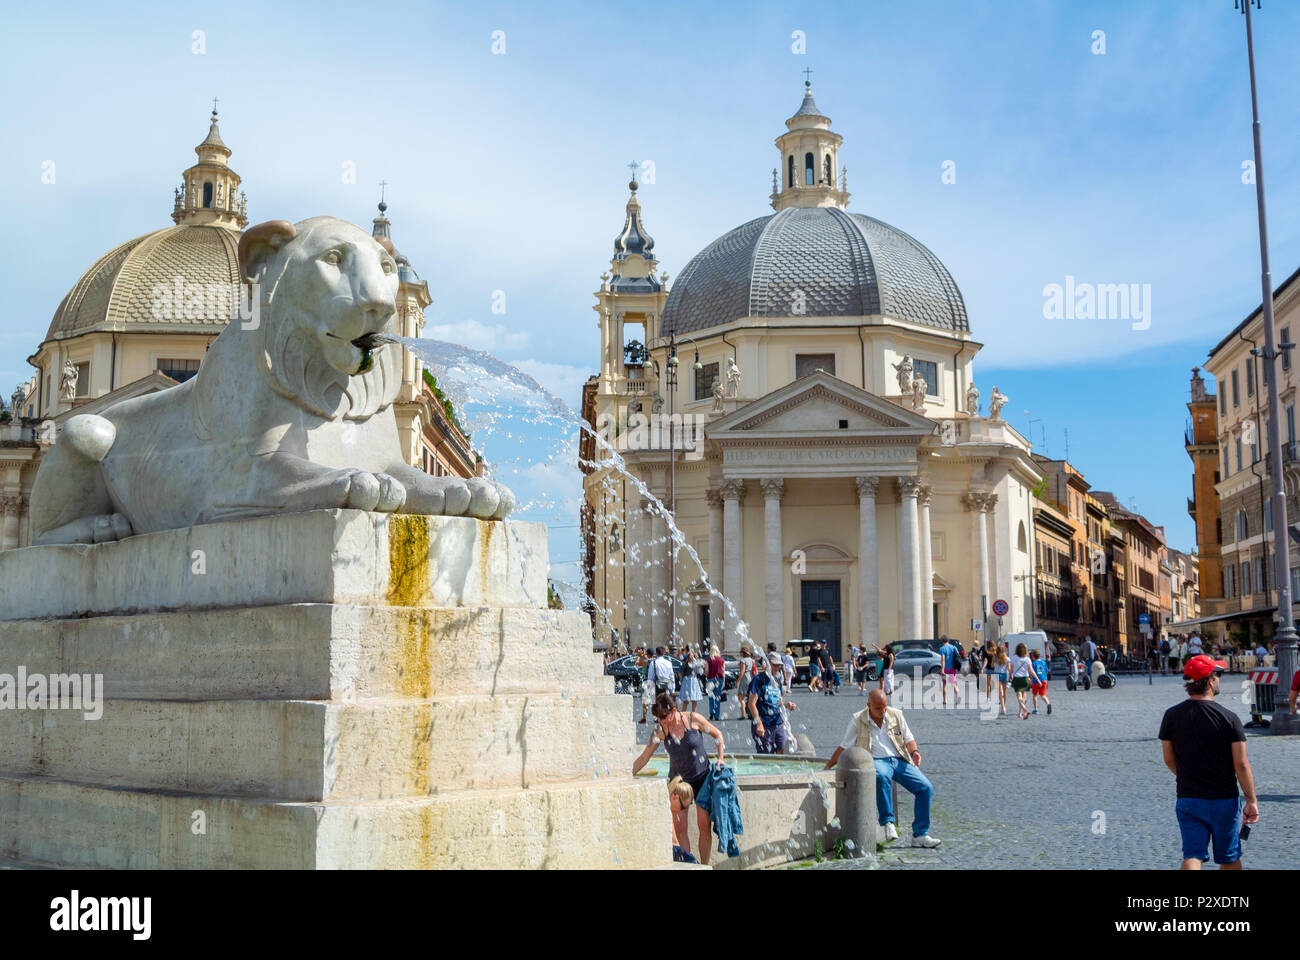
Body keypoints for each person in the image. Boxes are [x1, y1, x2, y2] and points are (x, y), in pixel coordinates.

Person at [1157, 655, 1259, 870]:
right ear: (1210, 681)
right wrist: (1251, 800)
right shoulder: (1229, 718)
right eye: (1218, 675)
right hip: (1223, 799)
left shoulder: (1171, 715)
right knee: (1229, 857)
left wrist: (1188, 776)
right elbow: (1241, 764)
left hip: (1188, 797)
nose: (1219, 679)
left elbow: (1168, 758)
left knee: (1192, 855)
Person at [823, 689, 941, 849]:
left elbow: (909, 738)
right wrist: (829, 766)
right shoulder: (857, 720)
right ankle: (887, 823)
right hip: (877, 760)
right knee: (882, 776)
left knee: (925, 787)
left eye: (885, 707)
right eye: (878, 708)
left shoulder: (896, 715)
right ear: (868, 705)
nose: (882, 711)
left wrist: (915, 752)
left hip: (899, 760)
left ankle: (920, 834)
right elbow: (844, 747)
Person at [633, 692, 726, 866]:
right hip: (679, 782)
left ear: (674, 710)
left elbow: (717, 735)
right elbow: (645, 757)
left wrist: (721, 758)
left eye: (664, 716)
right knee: (680, 828)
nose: (661, 720)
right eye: (658, 717)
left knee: (703, 825)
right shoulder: (661, 731)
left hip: (702, 778)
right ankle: (688, 866)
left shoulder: (693, 719)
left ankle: (704, 866)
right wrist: (628, 773)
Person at [749, 652, 797, 753]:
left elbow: (778, 701)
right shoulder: (758, 680)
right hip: (764, 723)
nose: (777, 668)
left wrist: (786, 705)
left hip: (778, 723)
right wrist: (759, 723)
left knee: (782, 751)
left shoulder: (777, 679)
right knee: (766, 756)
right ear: (767, 664)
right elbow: (751, 703)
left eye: (779, 665)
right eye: (774, 665)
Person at [1008, 642, 1035, 720]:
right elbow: (1030, 670)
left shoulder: (1014, 657)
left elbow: (1011, 669)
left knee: (1019, 697)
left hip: (1017, 678)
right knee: (1023, 697)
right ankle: (1020, 713)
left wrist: (1010, 675)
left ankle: (1025, 710)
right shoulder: (1027, 659)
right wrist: (1032, 678)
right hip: (1025, 679)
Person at [938, 636, 962, 705]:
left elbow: (943, 659)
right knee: (954, 683)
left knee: (944, 684)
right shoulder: (954, 647)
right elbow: (958, 656)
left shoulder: (942, 648)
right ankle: (958, 697)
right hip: (953, 668)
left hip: (945, 669)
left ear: (942, 641)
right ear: (948, 640)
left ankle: (945, 700)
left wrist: (942, 670)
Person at [679, 648, 704, 715]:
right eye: (690, 655)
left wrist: (698, 658)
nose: (691, 656)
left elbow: (701, 668)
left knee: (694, 700)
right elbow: (680, 672)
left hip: (693, 680)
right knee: (685, 700)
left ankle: (694, 715)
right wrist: (681, 679)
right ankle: (682, 716)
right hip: (687, 681)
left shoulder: (695, 663)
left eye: (692, 655)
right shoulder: (685, 664)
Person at [705, 644, 726, 721]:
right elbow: (723, 671)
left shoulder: (709, 659)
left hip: (710, 679)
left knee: (711, 697)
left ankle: (711, 712)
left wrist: (706, 675)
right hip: (719, 679)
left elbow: (706, 670)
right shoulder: (721, 660)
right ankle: (717, 716)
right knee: (717, 698)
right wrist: (724, 681)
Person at [1028, 648, 1051, 715]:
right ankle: (1048, 703)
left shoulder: (1033, 663)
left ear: (1033, 656)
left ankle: (1035, 709)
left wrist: (1031, 680)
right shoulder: (1043, 662)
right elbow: (1046, 671)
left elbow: (1032, 673)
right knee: (1043, 695)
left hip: (1035, 681)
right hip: (1044, 680)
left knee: (1035, 695)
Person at [736, 645, 755, 719]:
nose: (739, 653)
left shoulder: (743, 660)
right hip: (749, 677)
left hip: (744, 679)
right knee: (749, 697)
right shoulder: (750, 659)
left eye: (740, 652)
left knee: (741, 698)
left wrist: (738, 681)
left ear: (743, 653)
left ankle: (743, 714)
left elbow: (742, 672)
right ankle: (751, 713)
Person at [994, 645, 1009, 716]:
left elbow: (992, 665)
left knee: (1000, 693)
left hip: (997, 674)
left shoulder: (995, 658)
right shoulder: (1007, 658)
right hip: (1004, 675)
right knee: (1005, 692)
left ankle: (1003, 708)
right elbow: (1009, 668)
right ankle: (1004, 706)